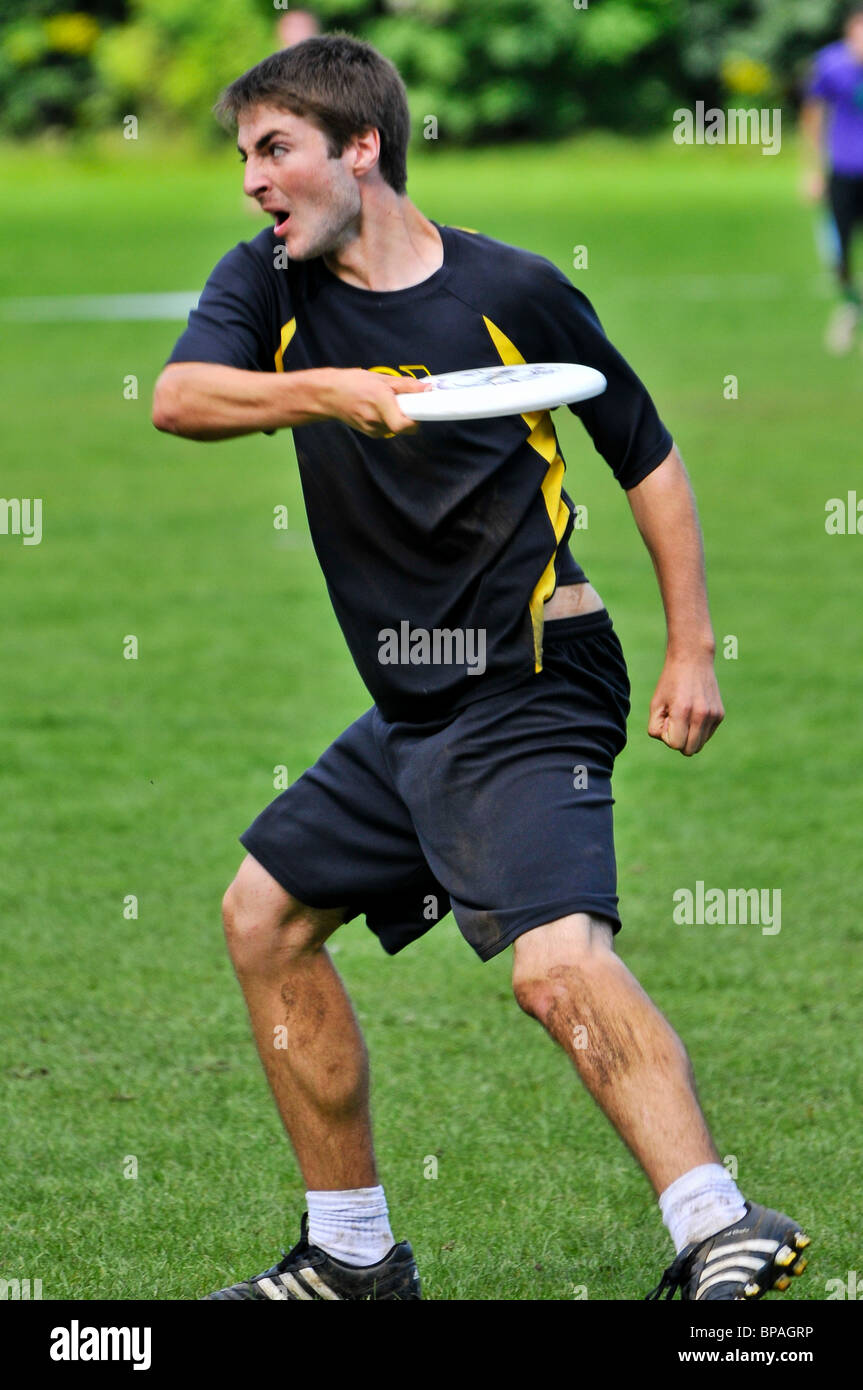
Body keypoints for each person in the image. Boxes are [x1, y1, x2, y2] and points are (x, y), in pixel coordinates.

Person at [153, 35, 809, 1302]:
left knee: (553, 959)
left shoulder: (511, 289)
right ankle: (349, 1255)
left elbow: (646, 456)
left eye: (274, 150)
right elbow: (179, 398)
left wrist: (691, 647)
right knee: (265, 916)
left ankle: (713, 1223)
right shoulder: (270, 285)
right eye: (243, 157)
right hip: (414, 701)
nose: (251, 182)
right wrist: (326, 391)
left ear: (361, 149)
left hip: (534, 669)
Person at [801, 3, 863, 353]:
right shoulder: (831, 65)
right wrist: (812, 170)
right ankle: (849, 306)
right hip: (842, 171)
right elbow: (812, 115)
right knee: (839, 253)